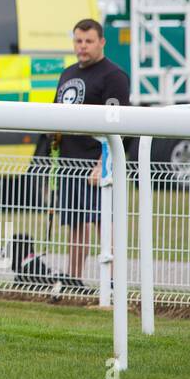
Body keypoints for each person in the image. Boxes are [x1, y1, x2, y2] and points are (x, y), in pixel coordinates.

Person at [37, 18, 132, 283]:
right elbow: (55, 114)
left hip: (96, 163)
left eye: (89, 41)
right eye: (78, 41)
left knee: (104, 223)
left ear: (101, 42)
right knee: (75, 224)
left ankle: (113, 282)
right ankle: (73, 279)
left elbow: (119, 126)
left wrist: (104, 164)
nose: (83, 47)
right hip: (69, 163)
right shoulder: (67, 73)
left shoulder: (114, 76)